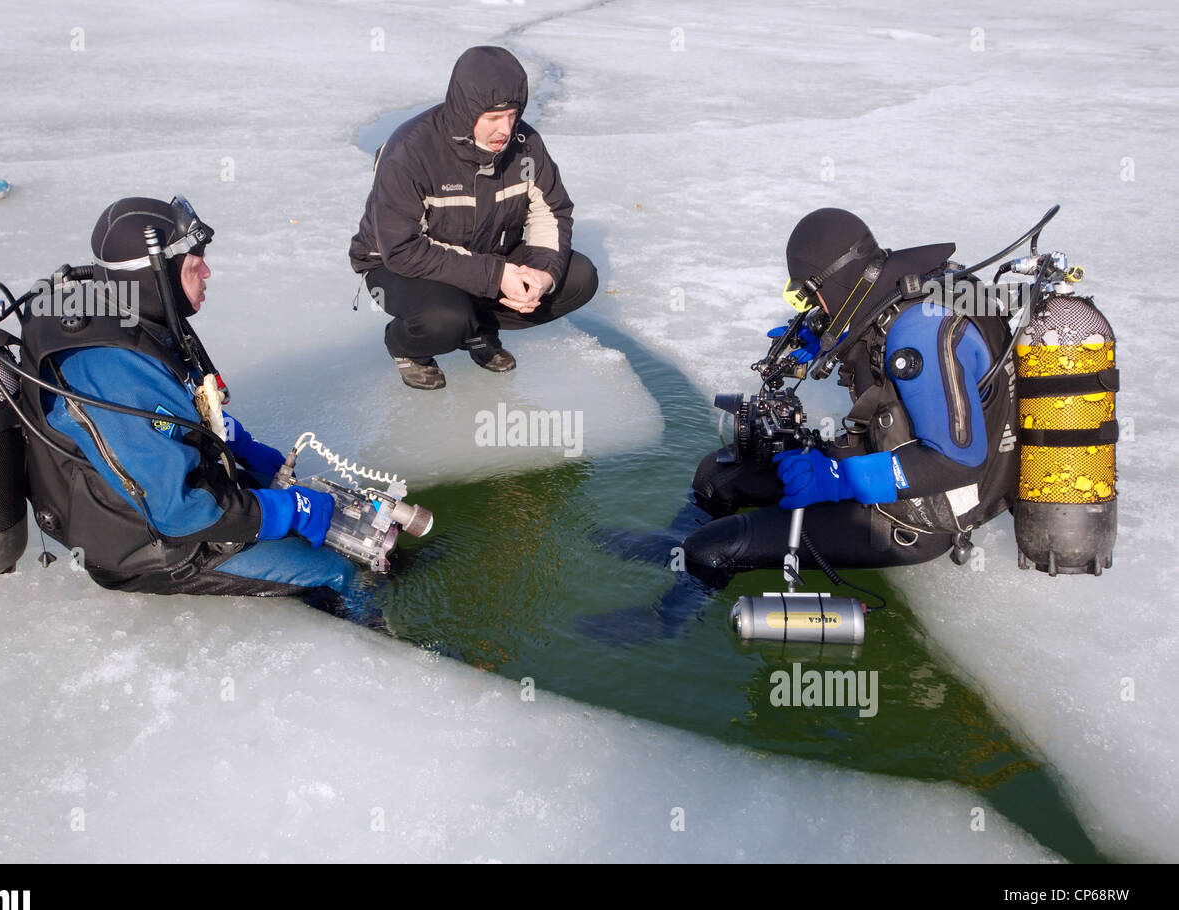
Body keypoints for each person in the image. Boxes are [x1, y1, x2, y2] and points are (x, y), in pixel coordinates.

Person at [588, 208, 1018, 637]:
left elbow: (958, 462)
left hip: (923, 510)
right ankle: (675, 549)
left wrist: (837, 477)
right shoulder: (898, 290)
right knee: (716, 476)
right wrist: (818, 339)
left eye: (807, 296)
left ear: (825, 281)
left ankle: (665, 622)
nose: (810, 306)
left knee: (714, 550)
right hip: (884, 457)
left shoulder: (920, 335)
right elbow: (867, 331)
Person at [18, 195, 357, 606]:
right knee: (334, 572)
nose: (208, 272)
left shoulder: (128, 312)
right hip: (146, 542)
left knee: (286, 509)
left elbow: (179, 412)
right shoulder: (114, 372)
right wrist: (293, 511)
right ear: (155, 273)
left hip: (152, 492)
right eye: (196, 264)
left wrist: (238, 444)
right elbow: (182, 513)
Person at [349, 45, 599, 390]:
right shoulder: (409, 152)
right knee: (446, 320)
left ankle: (478, 330)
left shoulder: (526, 146)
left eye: (512, 115)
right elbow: (402, 249)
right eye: (493, 118)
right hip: (395, 266)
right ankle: (406, 347)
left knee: (579, 277)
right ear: (466, 111)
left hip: (486, 257)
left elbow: (551, 212)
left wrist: (542, 274)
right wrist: (496, 275)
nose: (505, 129)